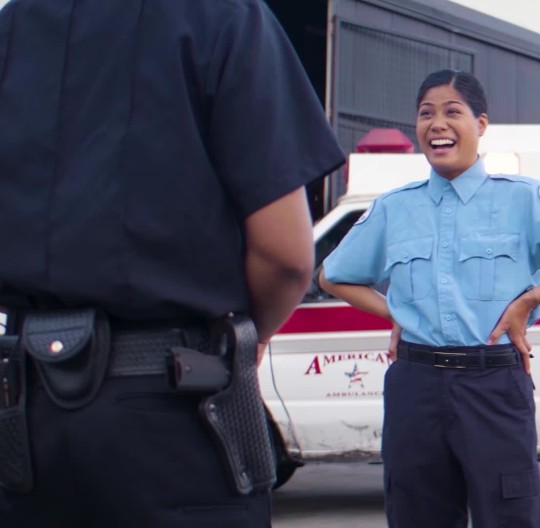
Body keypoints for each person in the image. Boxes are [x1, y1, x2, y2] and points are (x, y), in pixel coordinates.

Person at [0, 0, 345, 526]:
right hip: (176, 404)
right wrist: (245, 336)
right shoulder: (224, 17)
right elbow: (287, 257)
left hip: (24, 414)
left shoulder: (13, 25)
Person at [319, 69, 540, 528]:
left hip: (493, 384)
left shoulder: (522, 199)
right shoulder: (395, 208)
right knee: (416, 514)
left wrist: (530, 300)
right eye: (426, 114)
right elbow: (333, 276)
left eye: (453, 112)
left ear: (481, 124)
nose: (437, 124)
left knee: (511, 514)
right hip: (416, 386)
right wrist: (401, 311)